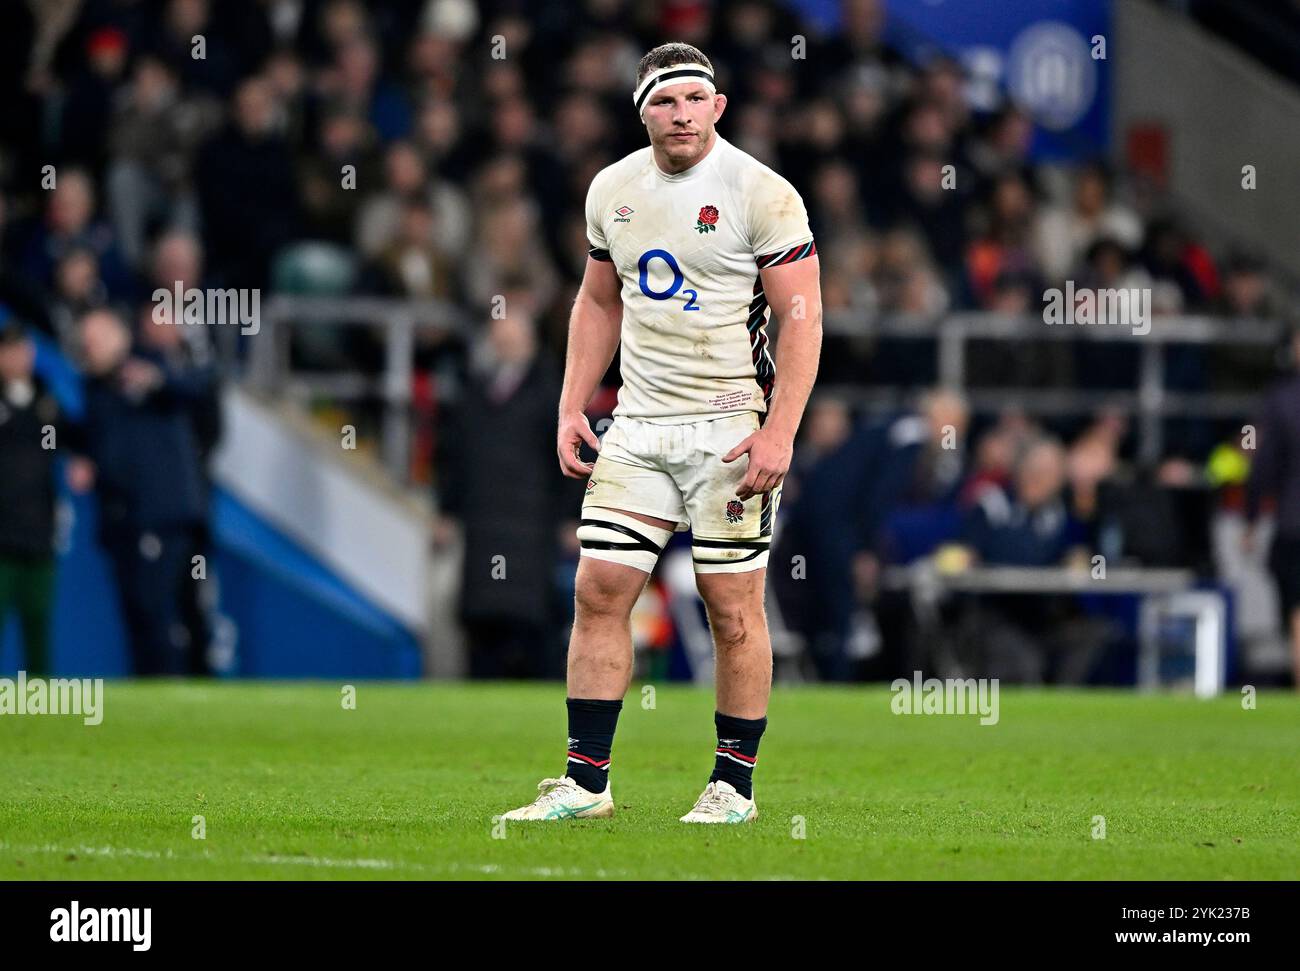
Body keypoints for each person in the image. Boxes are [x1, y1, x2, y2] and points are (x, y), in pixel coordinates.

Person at [502, 42, 822, 823]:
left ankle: (733, 788)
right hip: (640, 421)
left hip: (728, 425)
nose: (680, 114)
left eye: (693, 99)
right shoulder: (612, 188)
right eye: (663, 101)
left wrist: (780, 430)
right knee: (599, 589)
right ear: (641, 111)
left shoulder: (761, 191)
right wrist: (573, 402)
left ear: (718, 106)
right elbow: (597, 300)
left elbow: (801, 314)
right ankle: (586, 785)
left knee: (731, 604)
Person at [74, 307, 212, 676]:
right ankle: (152, 694)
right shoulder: (94, 389)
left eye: (98, 336)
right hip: (123, 519)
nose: (90, 345)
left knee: (162, 611)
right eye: (86, 338)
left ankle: (176, 696)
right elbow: (98, 442)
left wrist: (157, 378)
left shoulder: (146, 365)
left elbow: (200, 383)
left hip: (161, 514)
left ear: (121, 335)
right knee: (138, 612)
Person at [0, 316, 63, 676]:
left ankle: (40, 706)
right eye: (8, 351)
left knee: (38, 627)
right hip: (2, 538)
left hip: (39, 535)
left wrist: (79, 461)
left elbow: (59, 445)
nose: (16, 358)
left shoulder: (47, 405)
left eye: (21, 350)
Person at [1246, 328, 1300, 690]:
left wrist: (1252, 518)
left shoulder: (1282, 399)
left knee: (1298, 614)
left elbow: (1264, 466)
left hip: (1294, 522)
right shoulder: (1282, 398)